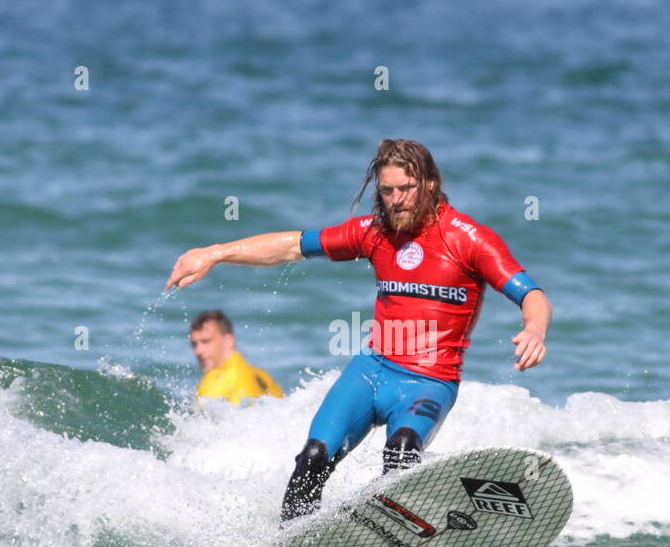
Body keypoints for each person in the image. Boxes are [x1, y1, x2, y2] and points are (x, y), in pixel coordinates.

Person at [166, 139, 551, 522]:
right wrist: (215, 253)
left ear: (430, 184)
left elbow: (532, 294)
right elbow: (291, 246)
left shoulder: (469, 239)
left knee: (401, 449)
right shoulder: (374, 232)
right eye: (387, 191)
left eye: (406, 189)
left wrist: (534, 329)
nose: (396, 199)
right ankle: (287, 545)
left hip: (429, 381)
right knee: (315, 455)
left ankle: (395, 533)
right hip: (370, 372)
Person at [190, 309, 284, 403]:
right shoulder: (261, 374)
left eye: (206, 341)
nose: (198, 351)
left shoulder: (227, 379)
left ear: (229, 340)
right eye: (194, 344)